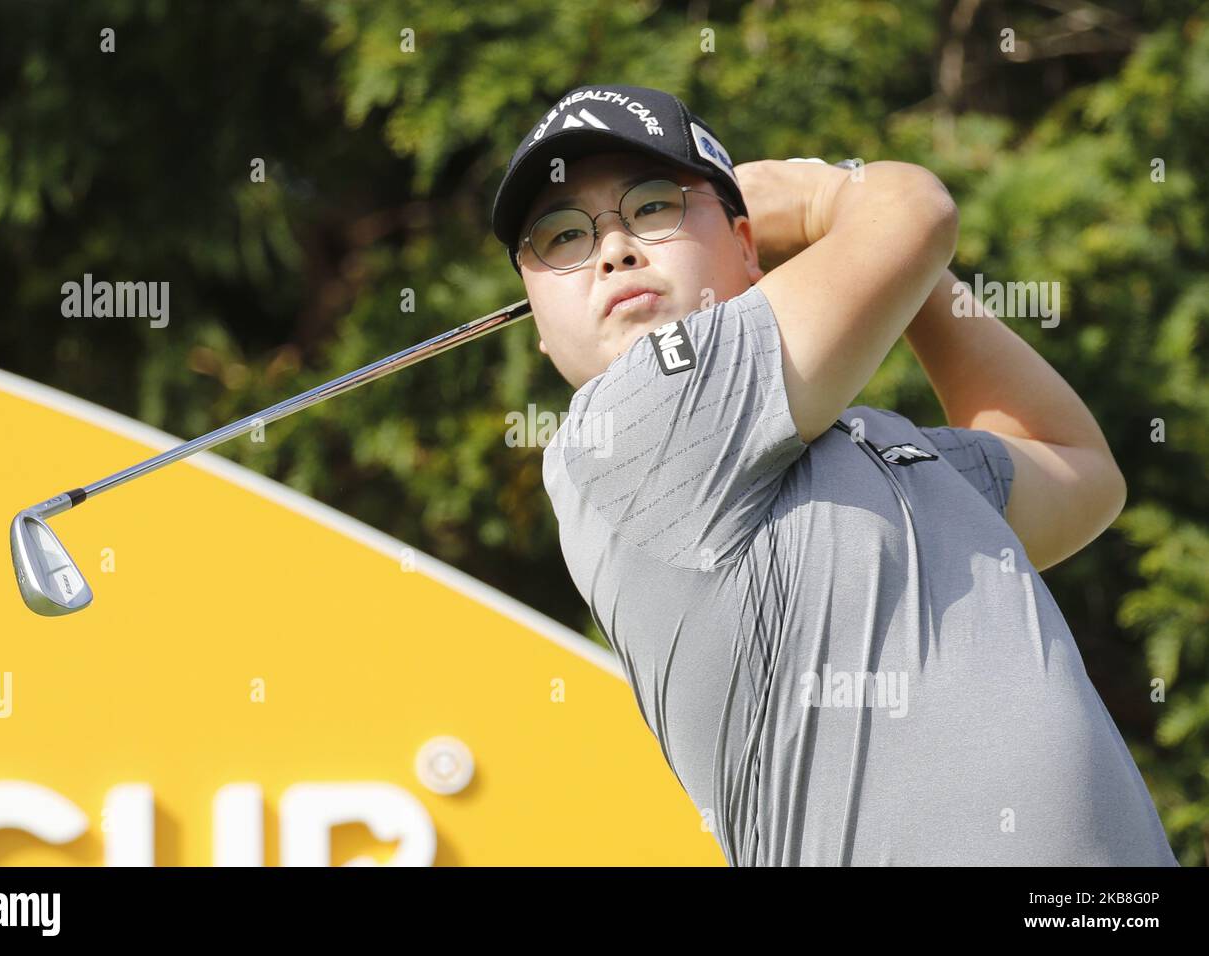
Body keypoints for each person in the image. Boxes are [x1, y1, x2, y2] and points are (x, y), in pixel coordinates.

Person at [491, 84, 1178, 866]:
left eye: (653, 207)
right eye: (560, 238)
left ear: (748, 249)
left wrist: (909, 279)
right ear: (540, 329)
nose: (613, 249)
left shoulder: (881, 448)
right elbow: (917, 212)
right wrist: (822, 196)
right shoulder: (626, 428)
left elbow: (1079, 470)